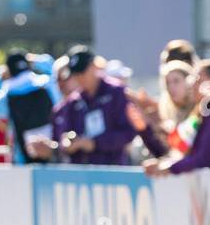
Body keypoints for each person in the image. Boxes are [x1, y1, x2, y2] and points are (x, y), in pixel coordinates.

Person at [39, 46, 168, 165]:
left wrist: (95, 144)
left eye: (83, 73)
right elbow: (63, 136)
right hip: (82, 173)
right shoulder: (73, 102)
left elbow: (128, 132)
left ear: (93, 67)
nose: (80, 78)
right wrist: (68, 144)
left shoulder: (116, 93)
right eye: (76, 74)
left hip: (112, 171)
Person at [143, 60, 210, 175]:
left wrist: (169, 168)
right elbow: (189, 154)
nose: (192, 86)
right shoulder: (206, 115)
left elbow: (203, 159)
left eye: (198, 80)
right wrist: (165, 164)